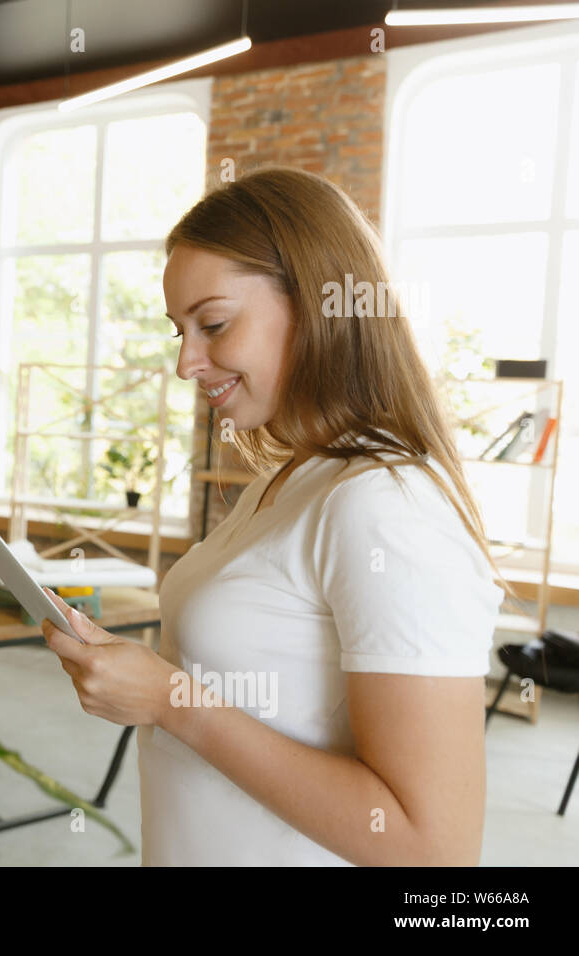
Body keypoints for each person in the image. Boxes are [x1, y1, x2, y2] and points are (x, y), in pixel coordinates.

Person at [40, 166, 513, 866]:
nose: (186, 363)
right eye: (179, 331)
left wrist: (173, 701)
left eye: (214, 324)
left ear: (320, 305)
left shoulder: (386, 505)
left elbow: (431, 848)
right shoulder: (292, 479)